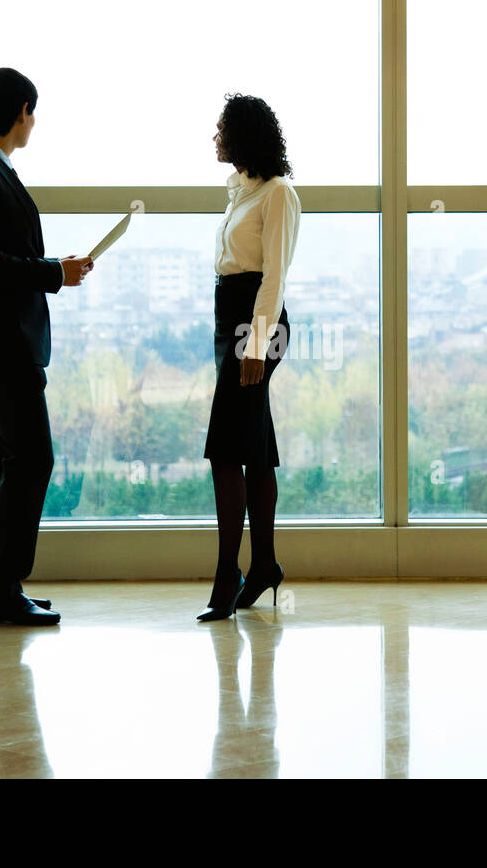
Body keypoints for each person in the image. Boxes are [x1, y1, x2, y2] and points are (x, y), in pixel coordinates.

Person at [0, 67, 94, 626]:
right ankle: (1, 589)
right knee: (32, 458)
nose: (34, 122)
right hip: (2, 345)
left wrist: (55, 270)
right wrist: (55, 272)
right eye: (33, 112)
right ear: (21, 113)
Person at [197, 94, 300, 621]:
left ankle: (228, 572)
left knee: (223, 449)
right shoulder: (241, 190)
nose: (215, 138)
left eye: (221, 130)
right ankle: (263, 566)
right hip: (231, 321)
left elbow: (274, 277)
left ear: (243, 135)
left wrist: (255, 346)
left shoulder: (278, 194)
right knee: (252, 445)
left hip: (257, 326)